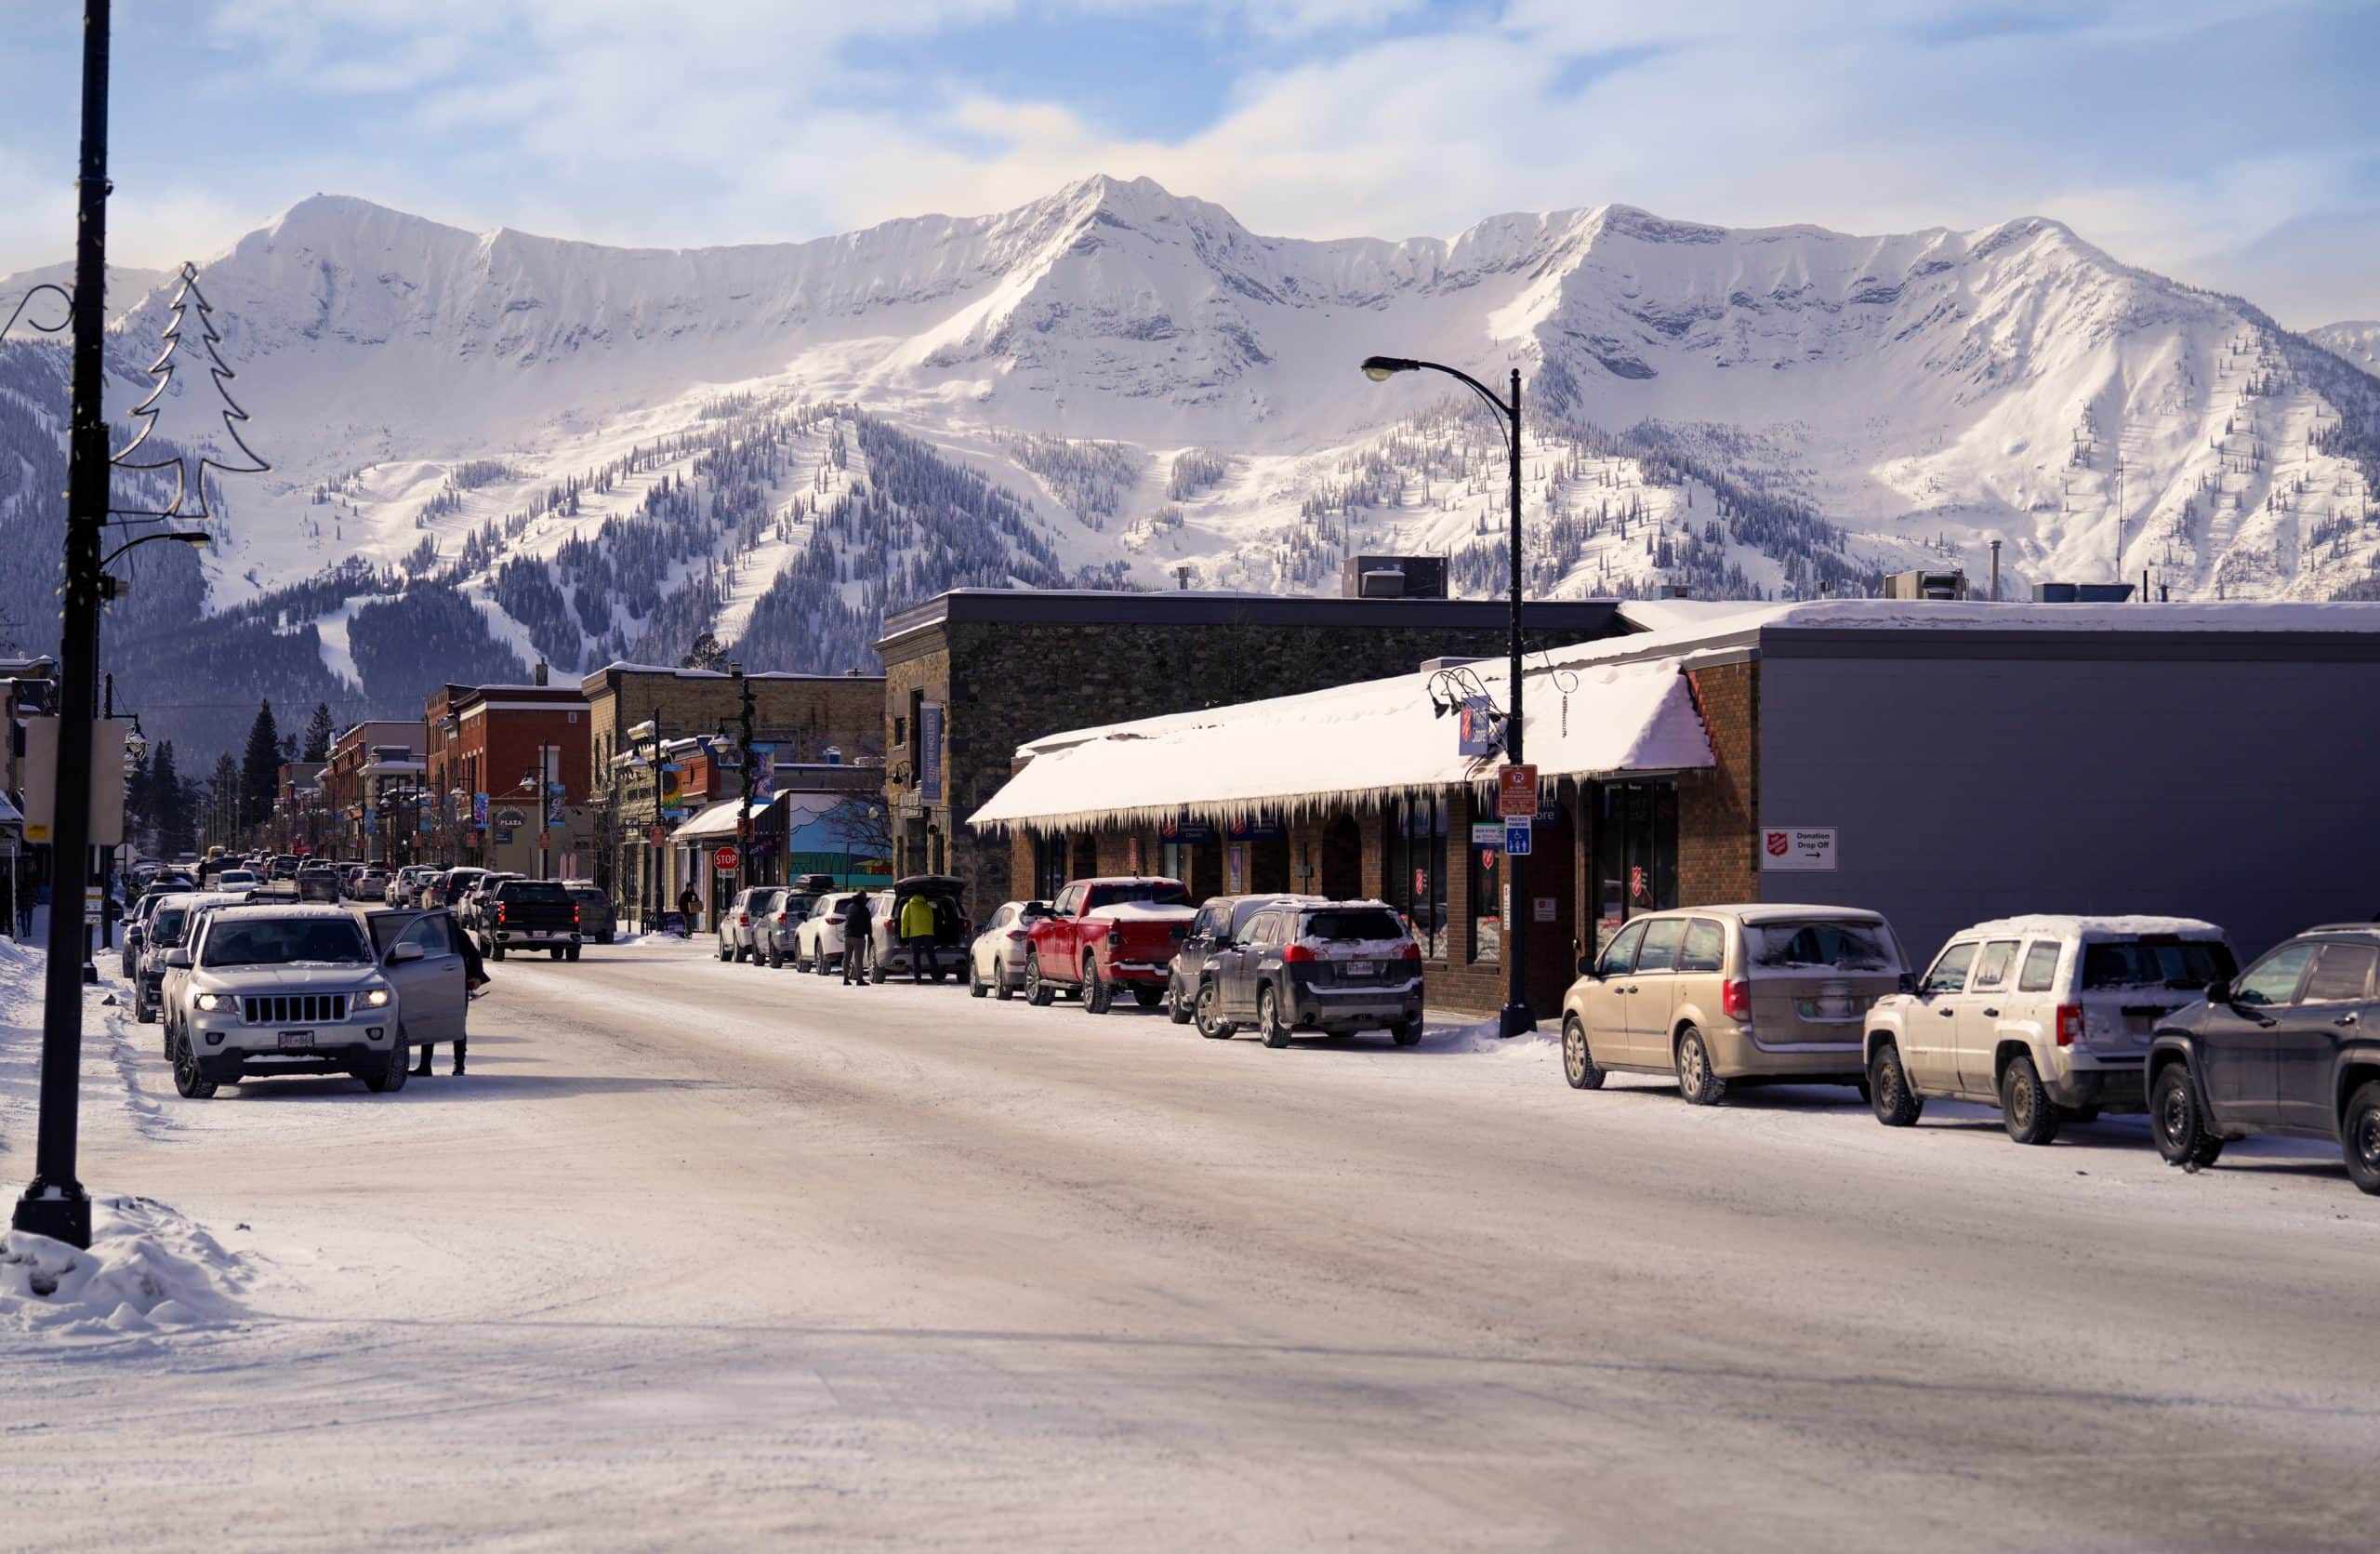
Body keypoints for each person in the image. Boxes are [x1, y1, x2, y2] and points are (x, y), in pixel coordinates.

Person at [413, 915, 487, 1078]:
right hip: (432, 984)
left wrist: (477, 977)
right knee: (429, 1022)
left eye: (439, 919)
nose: (436, 923)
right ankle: (425, 1066)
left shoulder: (458, 934)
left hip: (456, 983)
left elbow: (474, 956)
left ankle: (459, 1066)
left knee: (457, 1024)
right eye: (433, 920)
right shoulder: (426, 935)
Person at [898, 891, 937, 984]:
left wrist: (904, 935)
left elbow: (904, 921)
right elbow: (931, 920)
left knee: (916, 957)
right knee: (931, 956)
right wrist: (931, 932)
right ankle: (936, 977)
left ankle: (918, 979)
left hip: (915, 935)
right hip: (928, 933)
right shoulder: (927, 906)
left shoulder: (908, 906)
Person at [841, 890, 874, 985]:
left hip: (847, 936)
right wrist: (870, 935)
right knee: (858, 959)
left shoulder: (849, 907)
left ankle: (845, 979)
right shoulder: (864, 909)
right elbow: (868, 924)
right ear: (863, 898)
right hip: (858, 937)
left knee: (846, 958)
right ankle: (859, 979)